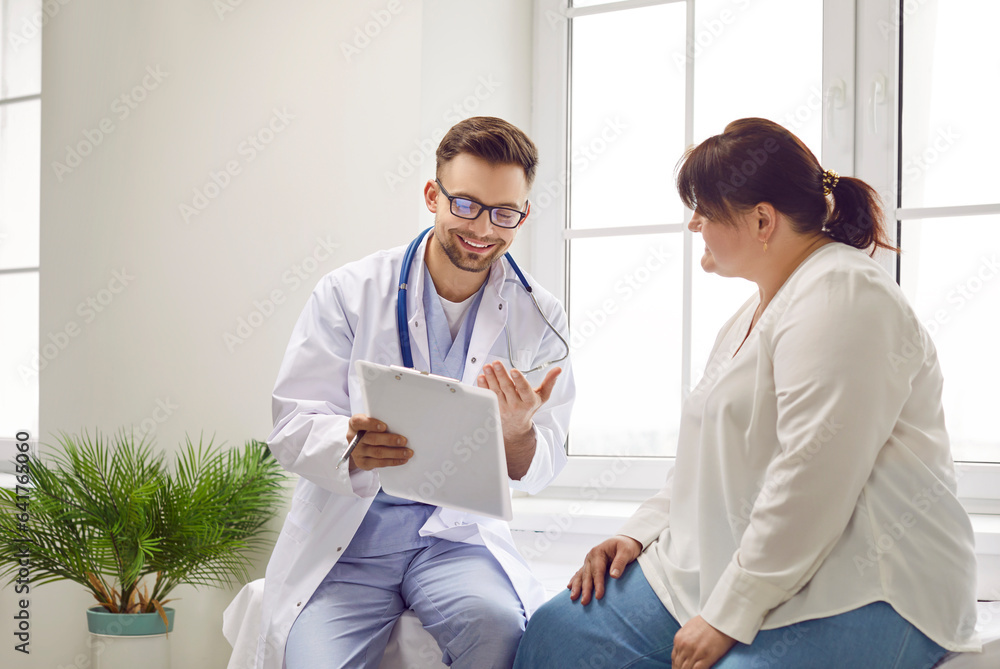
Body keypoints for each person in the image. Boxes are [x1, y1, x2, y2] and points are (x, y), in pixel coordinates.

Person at [513, 118, 981, 669]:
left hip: (866, 583)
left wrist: (728, 614)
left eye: (705, 212)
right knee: (558, 636)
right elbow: (705, 461)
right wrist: (638, 534)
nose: (694, 225)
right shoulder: (754, 311)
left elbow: (812, 480)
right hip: (726, 564)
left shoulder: (846, 297)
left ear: (762, 220)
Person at [255, 116, 575, 669]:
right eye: (467, 205)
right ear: (433, 194)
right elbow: (291, 424)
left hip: (455, 540)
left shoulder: (539, 316)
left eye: (505, 214)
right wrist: (348, 443)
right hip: (352, 540)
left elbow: (544, 460)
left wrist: (519, 431)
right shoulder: (350, 293)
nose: (483, 229)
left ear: (523, 215)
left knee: (498, 632)